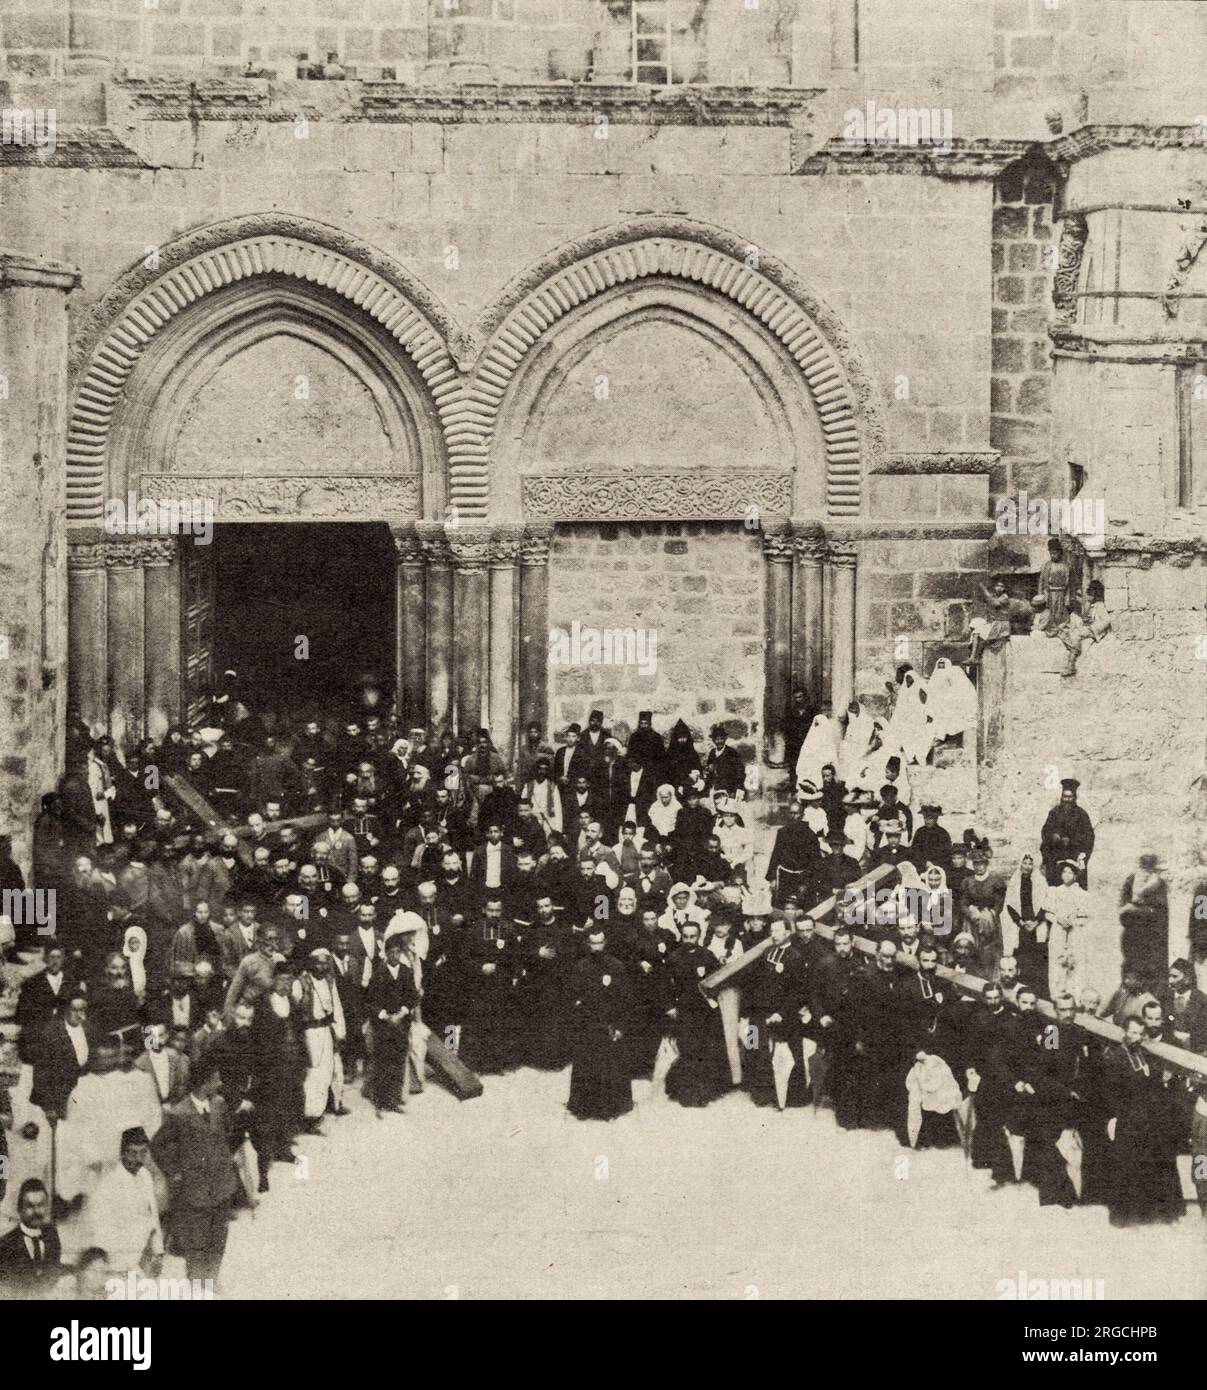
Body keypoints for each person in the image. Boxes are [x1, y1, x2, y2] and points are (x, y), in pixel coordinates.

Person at [151, 1058, 238, 1285]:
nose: (219, 1083)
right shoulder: (179, 1113)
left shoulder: (219, 1104)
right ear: (203, 1083)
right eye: (215, 1079)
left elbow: (227, 1134)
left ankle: (212, 1278)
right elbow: (158, 1145)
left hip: (221, 1186)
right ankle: (197, 1283)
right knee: (196, 1240)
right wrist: (174, 1173)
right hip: (195, 1191)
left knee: (218, 1238)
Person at [1101, 1017, 1184, 1227]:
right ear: (1125, 1032)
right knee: (1126, 1167)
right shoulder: (1116, 1056)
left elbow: (1151, 1082)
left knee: (1144, 1166)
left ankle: (1144, 1215)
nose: (1136, 1037)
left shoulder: (1143, 1053)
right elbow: (1111, 1092)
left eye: (1140, 1033)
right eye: (1133, 1033)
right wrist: (1115, 1116)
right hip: (1128, 1120)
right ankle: (1123, 1218)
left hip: (1145, 1119)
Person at [567, 925, 634, 1121]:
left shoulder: (616, 966)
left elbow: (626, 999)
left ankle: (611, 1108)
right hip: (587, 1025)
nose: (597, 947)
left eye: (600, 943)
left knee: (611, 1067)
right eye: (593, 943)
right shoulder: (580, 966)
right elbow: (572, 995)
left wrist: (621, 1027)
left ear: (605, 943)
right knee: (586, 1066)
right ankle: (584, 1108)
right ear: (588, 944)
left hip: (610, 1025)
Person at [663, 921, 731, 1107]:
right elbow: (664, 985)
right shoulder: (674, 957)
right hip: (684, 1011)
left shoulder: (707, 956)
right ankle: (686, 1092)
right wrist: (669, 1006)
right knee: (688, 1049)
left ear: (699, 936)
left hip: (705, 1012)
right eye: (686, 936)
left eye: (693, 936)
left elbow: (718, 980)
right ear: (681, 936)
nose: (689, 940)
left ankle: (706, 1090)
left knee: (706, 1050)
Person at [87, 1126, 164, 1278]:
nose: (138, 1159)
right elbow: (104, 1236)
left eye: (143, 1152)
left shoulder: (145, 1176)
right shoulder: (108, 1186)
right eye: (132, 1153)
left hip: (142, 1261)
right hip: (117, 1266)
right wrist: (129, 1268)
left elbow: (153, 1217)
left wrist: (158, 1252)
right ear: (122, 1154)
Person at [366, 922, 419, 1115]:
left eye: (397, 952)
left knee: (398, 1061)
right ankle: (380, 1101)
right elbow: (370, 1001)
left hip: (401, 1023)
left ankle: (394, 1099)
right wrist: (385, 1016)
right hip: (383, 1025)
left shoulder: (406, 971)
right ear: (386, 953)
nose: (394, 956)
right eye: (391, 953)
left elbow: (413, 996)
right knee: (382, 1062)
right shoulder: (378, 974)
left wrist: (402, 1012)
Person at [0, 1178, 64, 1295]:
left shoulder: (52, 1237)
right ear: (20, 1209)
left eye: (41, 1205)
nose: (36, 1211)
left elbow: (53, 1277)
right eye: (30, 1206)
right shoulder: (5, 1244)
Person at [1118, 853, 1169, 992]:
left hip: (1152, 936)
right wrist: (1131, 910)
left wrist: (1138, 910)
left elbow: (1161, 912)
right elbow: (1122, 908)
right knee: (1130, 966)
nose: (1146, 872)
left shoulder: (1159, 884)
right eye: (1143, 868)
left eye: (1149, 869)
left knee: (1151, 969)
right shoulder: (1130, 880)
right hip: (1132, 934)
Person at [1002, 852, 1051, 994]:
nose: (1027, 866)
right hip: (1022, 925)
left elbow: (1046, 903)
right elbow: (1010, 905)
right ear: (1021, 864)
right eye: (1025, 863)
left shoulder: (1040, 881)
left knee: (1037, 958)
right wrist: (1021, 922)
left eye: (1030, 863)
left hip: (1036, 924)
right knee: (1022, 958)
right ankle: (1022, 989)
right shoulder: (1014, 881)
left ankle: (1038, 991)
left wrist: (1036, 922)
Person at [1046, 859, 1091, 1000]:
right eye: (1064, 872)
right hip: (1058, 931)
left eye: (1070, 872)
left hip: (1075, 933)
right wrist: (1058, 919)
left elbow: (1085, 917)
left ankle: (1075, 997)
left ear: (1075, 875)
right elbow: (1048, 913)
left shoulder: (1083, 895)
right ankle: (1056, 995)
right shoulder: (1054, 892)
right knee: (1056, 962)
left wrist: (1073, 921)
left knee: (1075, 962)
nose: (1066, 875)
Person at [1040, 777, 1094, 887]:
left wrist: (1071, 841)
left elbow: (1089, 837)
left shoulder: (1081, 814)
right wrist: (1053, 837)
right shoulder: (1054, 813)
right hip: (1055, 861)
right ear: (1062, 797)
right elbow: (1045, 832)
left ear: (1074, 798)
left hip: (1074, 859)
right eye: (1065, 796)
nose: (1067, 799)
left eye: (1070, 797)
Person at [1034, 536, 1072, 633]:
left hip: (1061, 593)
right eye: (1051, 554)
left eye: (1055, 553)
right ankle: (1050, 628)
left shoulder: (1065, 566)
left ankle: (1059, 628)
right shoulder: (1047, 565)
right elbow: (1041, 581)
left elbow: (1068, 585)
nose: (1053, 556)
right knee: (1049, 612)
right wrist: (1041, 595)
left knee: (1061, 611)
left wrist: (1067, 599)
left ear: (1059, 553)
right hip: (1049, 593)